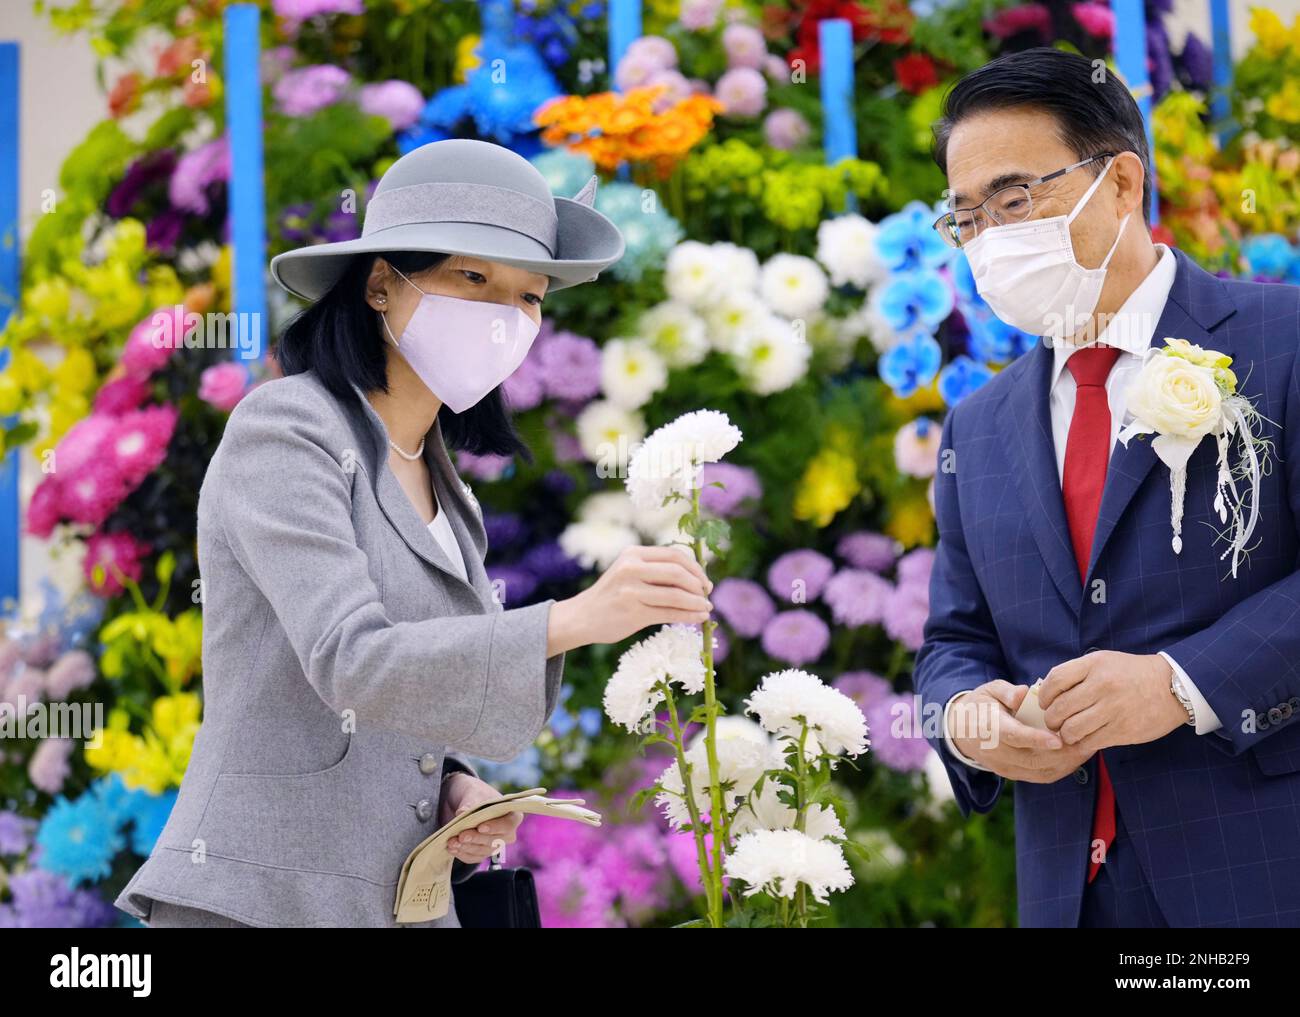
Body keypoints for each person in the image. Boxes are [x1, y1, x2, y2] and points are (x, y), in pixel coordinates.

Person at [116, 139, 714, 928]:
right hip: (260, 900)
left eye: (529, 296)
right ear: (379, 285)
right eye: (473, 278)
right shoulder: (284, 427)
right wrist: (575, 618)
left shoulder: (441, 478)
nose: (505, 315)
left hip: (394, 905)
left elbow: (411, 681)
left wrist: (453, 785)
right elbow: (351, 656)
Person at [915, 48, 1300, 927]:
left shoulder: (1283, 343)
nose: (990, 238)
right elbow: (951, 640)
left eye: (1014, 200)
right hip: (1067, 889)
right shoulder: (977, 425)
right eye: (964, 218)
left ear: (1122, 182)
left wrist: (1180, 683)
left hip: (1258, 873)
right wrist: (970, 716)